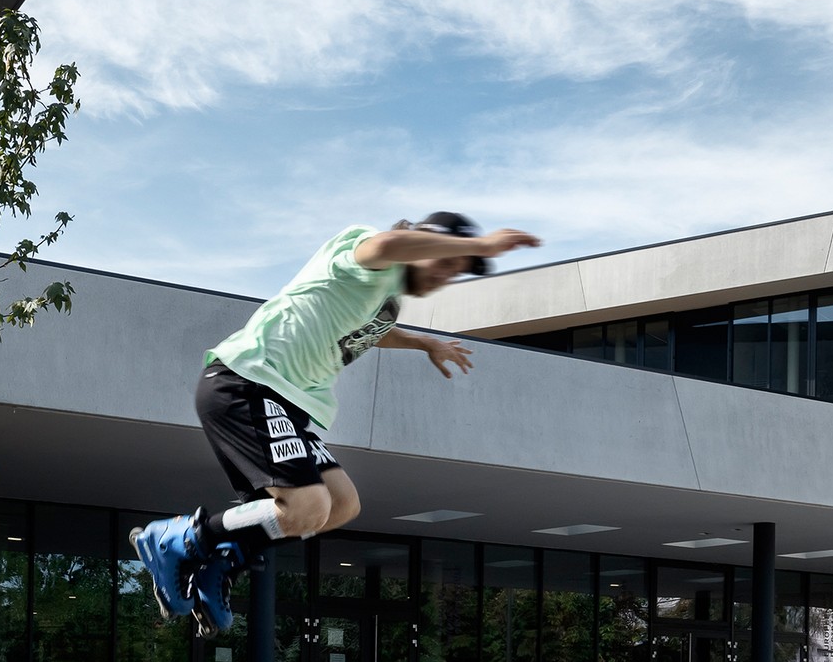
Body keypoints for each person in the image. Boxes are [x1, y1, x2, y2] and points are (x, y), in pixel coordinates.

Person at [129, 213, 542, 635]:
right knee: (308, 506)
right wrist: (482, 246)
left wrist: (423, 342)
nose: (443, 278)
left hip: (287, 403)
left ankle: (224, 558)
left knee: (342, 504)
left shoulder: (383, 302)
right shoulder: (365, 251)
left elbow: (373, 330)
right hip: (248, 381)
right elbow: (389, 246)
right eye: (444, 264)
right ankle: (179, 539)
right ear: (422, 243)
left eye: (453, 274)